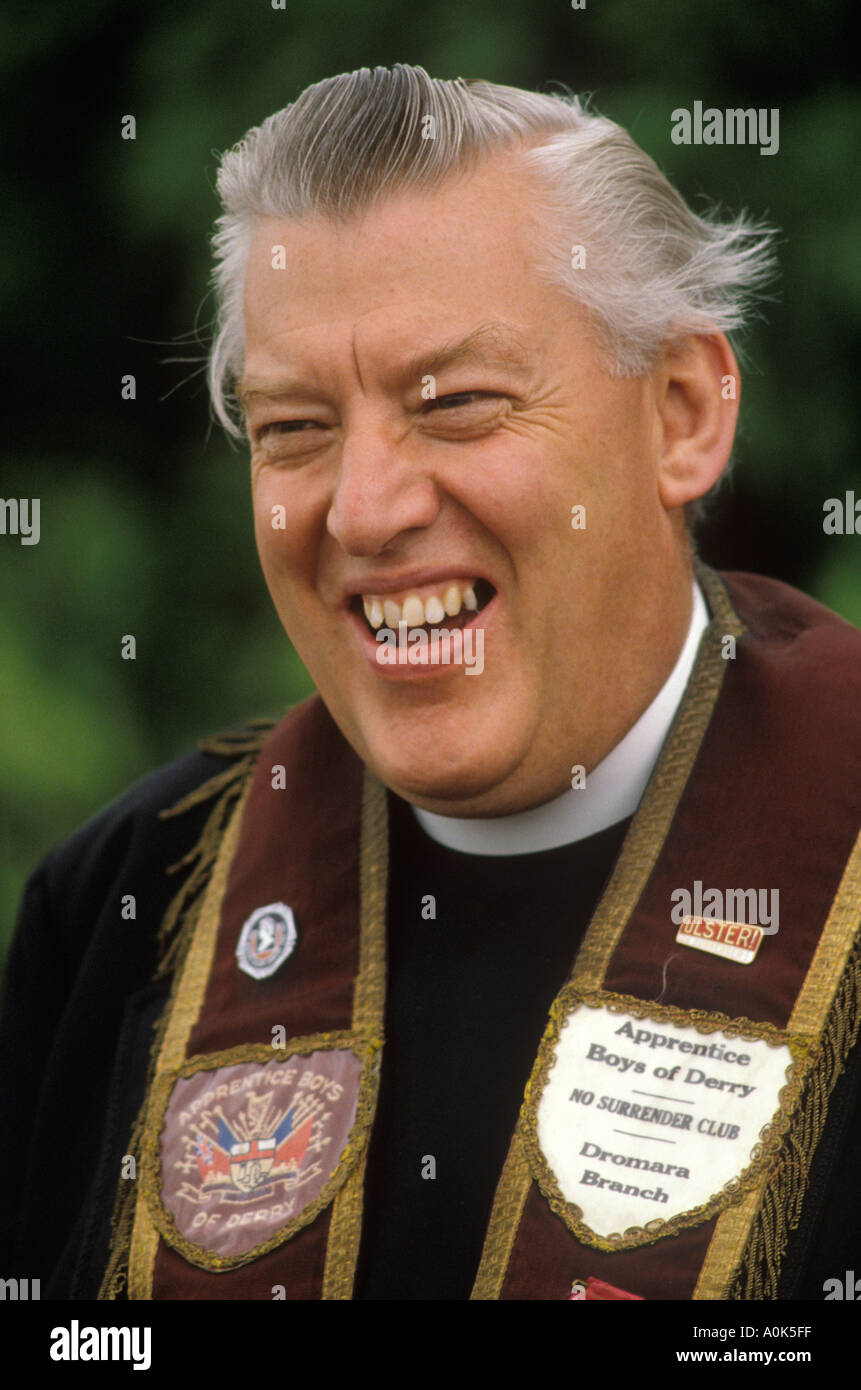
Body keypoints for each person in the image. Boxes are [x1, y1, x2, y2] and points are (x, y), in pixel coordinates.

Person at [1, 64, 859, 1303]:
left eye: (454, 404)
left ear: (680, 414)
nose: (365, 509)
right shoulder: (122, 910)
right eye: (294, 427)